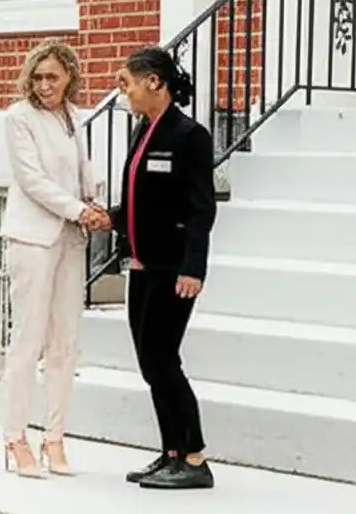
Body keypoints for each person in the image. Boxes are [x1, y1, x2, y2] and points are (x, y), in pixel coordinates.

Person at [106, 46, 217, 490]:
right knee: (150, 361)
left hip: (175, 267)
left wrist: (194, 267)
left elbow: (199, 208)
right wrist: (112, 219)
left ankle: (194, 457)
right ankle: (171, 452)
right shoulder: (143, 131)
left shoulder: (190, 135)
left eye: (126, 83)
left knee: (164, 359)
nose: (123, 93)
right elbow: (143, 199)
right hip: (143, 263)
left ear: (154, 82)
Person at [0, 39, 107, 479]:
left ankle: (55, 438)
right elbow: (32, 179)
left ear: (69, 78)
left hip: (69, 239)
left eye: (53, 77)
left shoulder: (75, 118)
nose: (44, 85)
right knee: (28, 342)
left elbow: (83, 169)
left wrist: (94, 199)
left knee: (66, 343)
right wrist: (79, 209)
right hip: (31, 238)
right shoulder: (18, 117)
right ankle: (14, 438)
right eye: (38, 77)